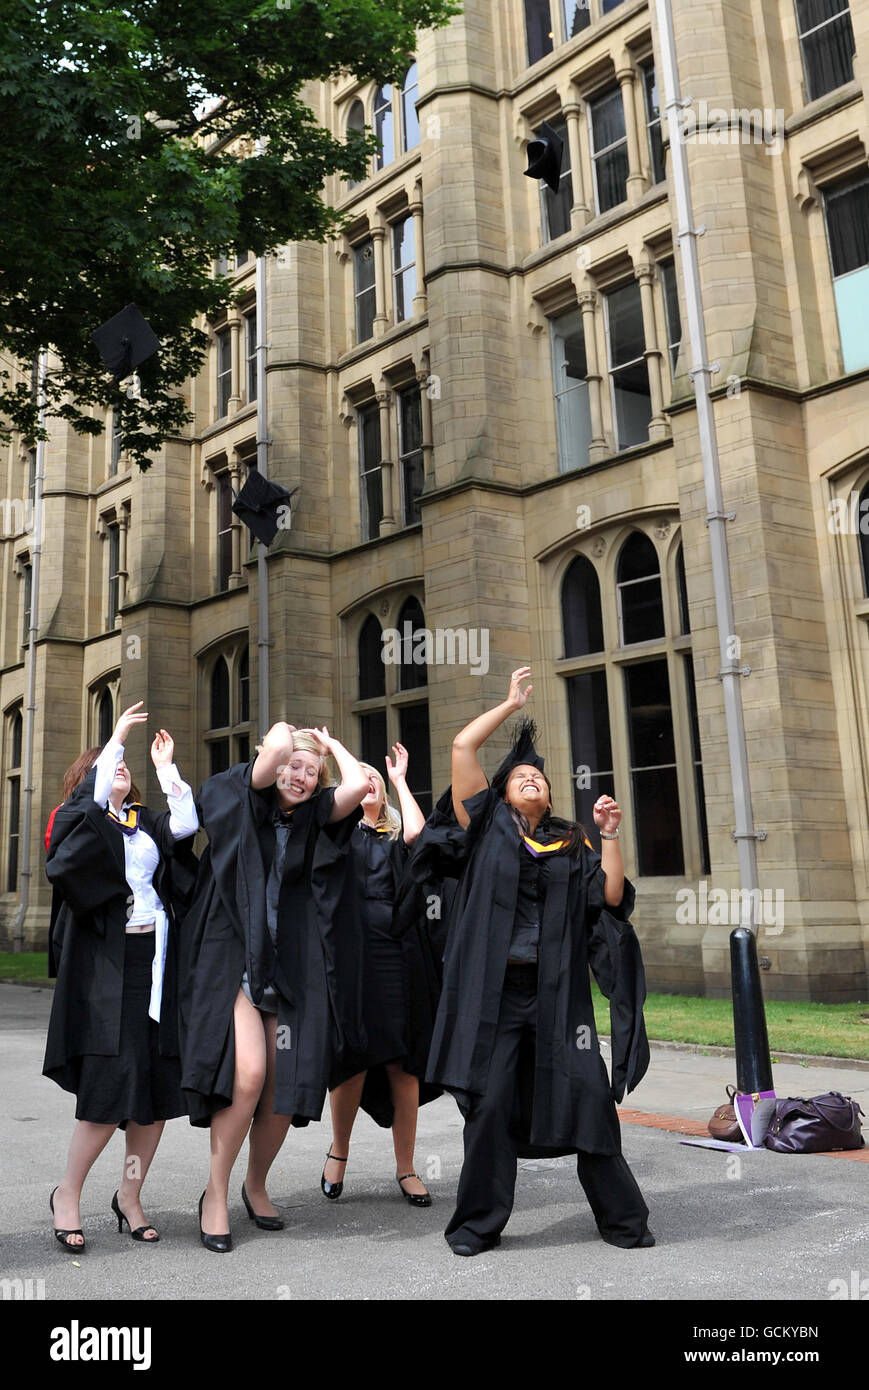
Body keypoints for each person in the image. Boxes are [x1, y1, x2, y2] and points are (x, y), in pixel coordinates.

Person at [408, 667, 654, 1256]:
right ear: (502, 790)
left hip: (556, 996)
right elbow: (463, 746)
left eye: (539, 778)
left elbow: (612, 900)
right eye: (519, 776)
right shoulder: (484, 827)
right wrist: (509, 703)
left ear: (549, 795)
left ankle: (623, 1221)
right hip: (493, 998)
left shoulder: (572, 842)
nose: (531, 781)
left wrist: (611, 834)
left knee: (589, 1098)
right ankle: (476, 1225)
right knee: (489, 1107)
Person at [180, 723, 369, 1253]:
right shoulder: (241, 795)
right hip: (237, 961)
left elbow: (354, 787)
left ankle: (255, 1184)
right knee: (249, 1077)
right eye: (294, 767)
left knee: (284, 1090)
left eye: (311, 773)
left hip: (288, 969)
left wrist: (330, 747)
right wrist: (288, 738)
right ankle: (214, 1193)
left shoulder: (313, 818)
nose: (301, 777)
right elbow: (273, 757)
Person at [44, 702, 199, 1250]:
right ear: (87, 780)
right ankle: (68, 1194)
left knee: (154, 1092)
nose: (120, 769)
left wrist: (164, 770)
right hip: (104, 971)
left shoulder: (147, 821)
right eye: (110, 766)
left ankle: (129, 1196)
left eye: (123, 767)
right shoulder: (77, 824)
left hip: (155, 967)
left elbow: (186, 824)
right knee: (108, 1090)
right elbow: (71, 850)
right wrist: (113, 739)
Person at [322, 745, 439, 1206]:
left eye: (374, 779)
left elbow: (420, 833)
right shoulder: (337, 834)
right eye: (361, 777)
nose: (368, 781)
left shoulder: (395, 838)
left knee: (403, 1063)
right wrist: (335, 750)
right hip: (351, 957)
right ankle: (339, 1151)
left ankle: (406, 1167)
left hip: (398, 956)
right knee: (354, 1058)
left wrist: (399, 780)